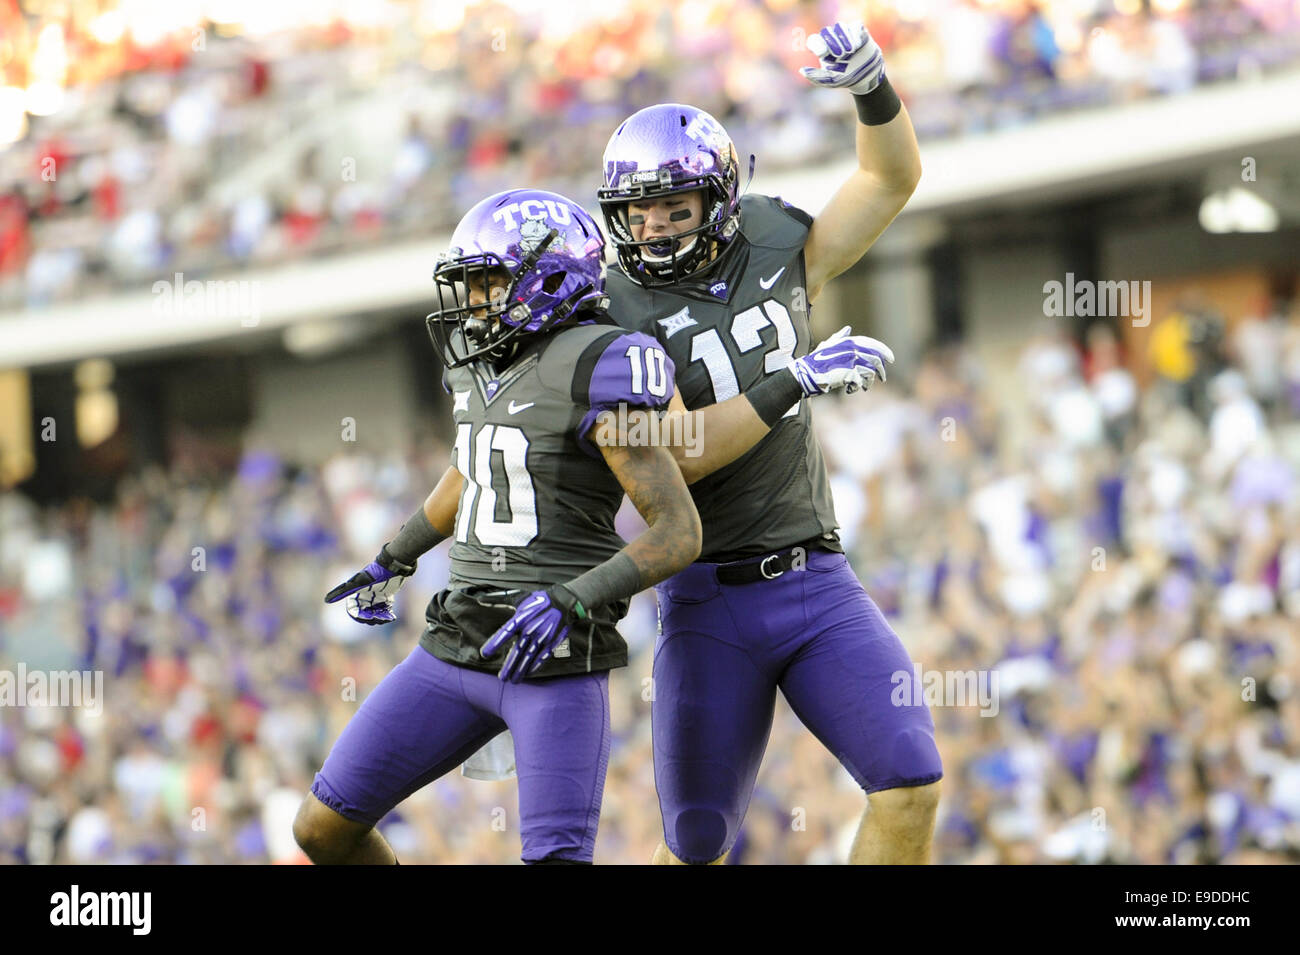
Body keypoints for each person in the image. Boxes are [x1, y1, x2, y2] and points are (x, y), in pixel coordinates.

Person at [595, 20, 943, 864]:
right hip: (708, 596)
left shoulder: (777, 244)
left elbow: (888, 178)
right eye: (641, 214)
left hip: (815, 578)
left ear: (720, 200)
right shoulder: (608, 312)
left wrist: (872, 88)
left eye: (677, 208)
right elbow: (677, 450)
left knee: (910, 781)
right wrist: (795, 377)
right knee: (697, 842)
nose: (658, 229)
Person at [291, 188, 705, 864]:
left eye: (487, 281)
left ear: (547, 279)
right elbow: (469, 472)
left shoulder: (595, 363)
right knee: (321, 826)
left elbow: (678, 531)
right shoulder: (487, 364)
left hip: (554, 655)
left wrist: (575, 596)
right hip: (459, 642)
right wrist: (395, 556)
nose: (473, 300)